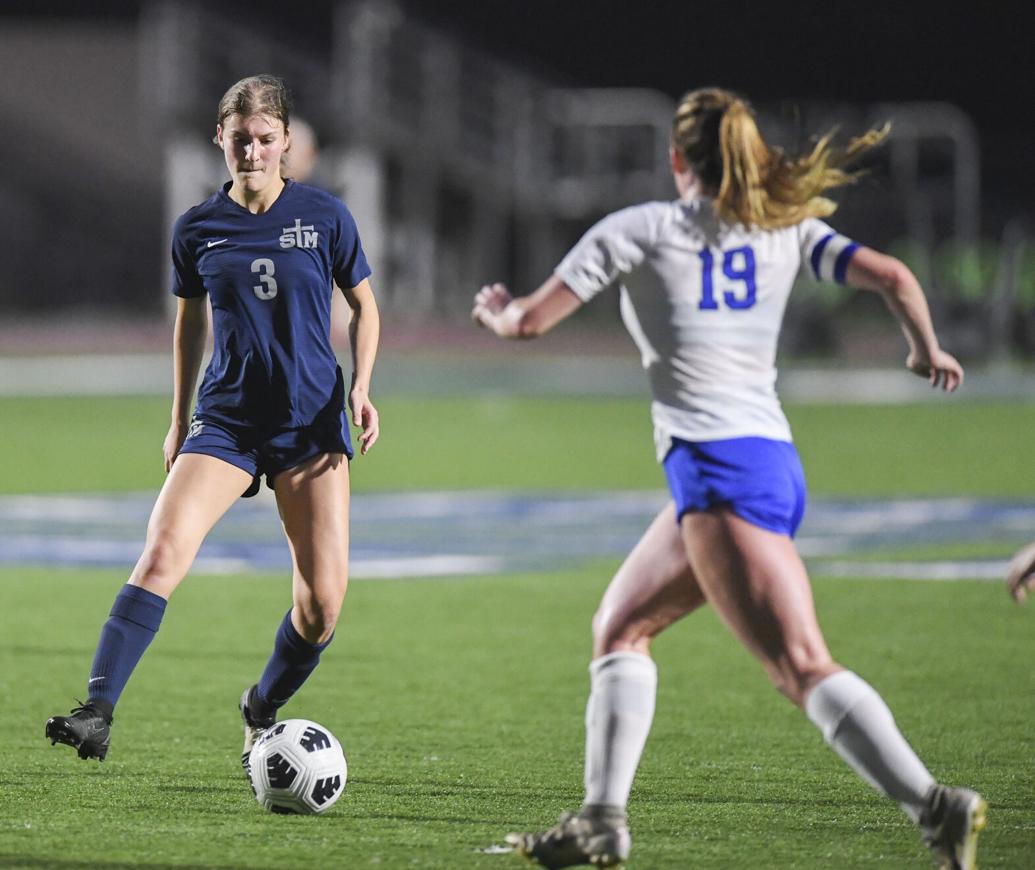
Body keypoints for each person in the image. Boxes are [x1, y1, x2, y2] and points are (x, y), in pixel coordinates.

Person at [472, 87, 984, 869]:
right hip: (763, 464)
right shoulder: (782, 227)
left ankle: (934, 805)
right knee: (620, 627)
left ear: (675, 159)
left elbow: (532, 322)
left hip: (718, 477)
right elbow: (891, 275)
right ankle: (600, 822)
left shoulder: (639, 230)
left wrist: (497, 311)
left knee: (801, 666)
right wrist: (923, 349)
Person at [45, 74, 380, 775]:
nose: (252, 152)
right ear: (218, 142)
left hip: (308, 426)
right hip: (226, 419)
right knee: (163, 549)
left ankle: (260, 708)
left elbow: (365, 305)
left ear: (287, 142)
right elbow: (189, 322)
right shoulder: (196, 228)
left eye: (264, 140)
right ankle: (97, 711)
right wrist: (177, 418)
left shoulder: (324, 216)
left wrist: (363, 388)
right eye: (239, 141)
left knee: (321, 606)